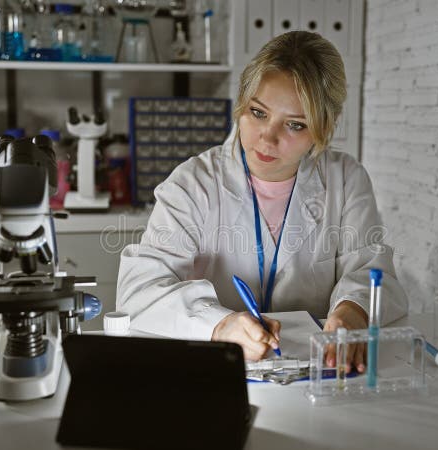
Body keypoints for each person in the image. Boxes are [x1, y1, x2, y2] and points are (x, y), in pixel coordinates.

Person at [116, 31, 407, 372]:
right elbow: (138, 292)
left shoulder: (345, 179)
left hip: (317, 373)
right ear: (241, 103)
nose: (268, 138)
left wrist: (352, 311)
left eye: (295, 125)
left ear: (324, 128)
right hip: (216, 369)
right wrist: (217, 324)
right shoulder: (193, 183)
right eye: (258, 113)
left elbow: (374, 274)